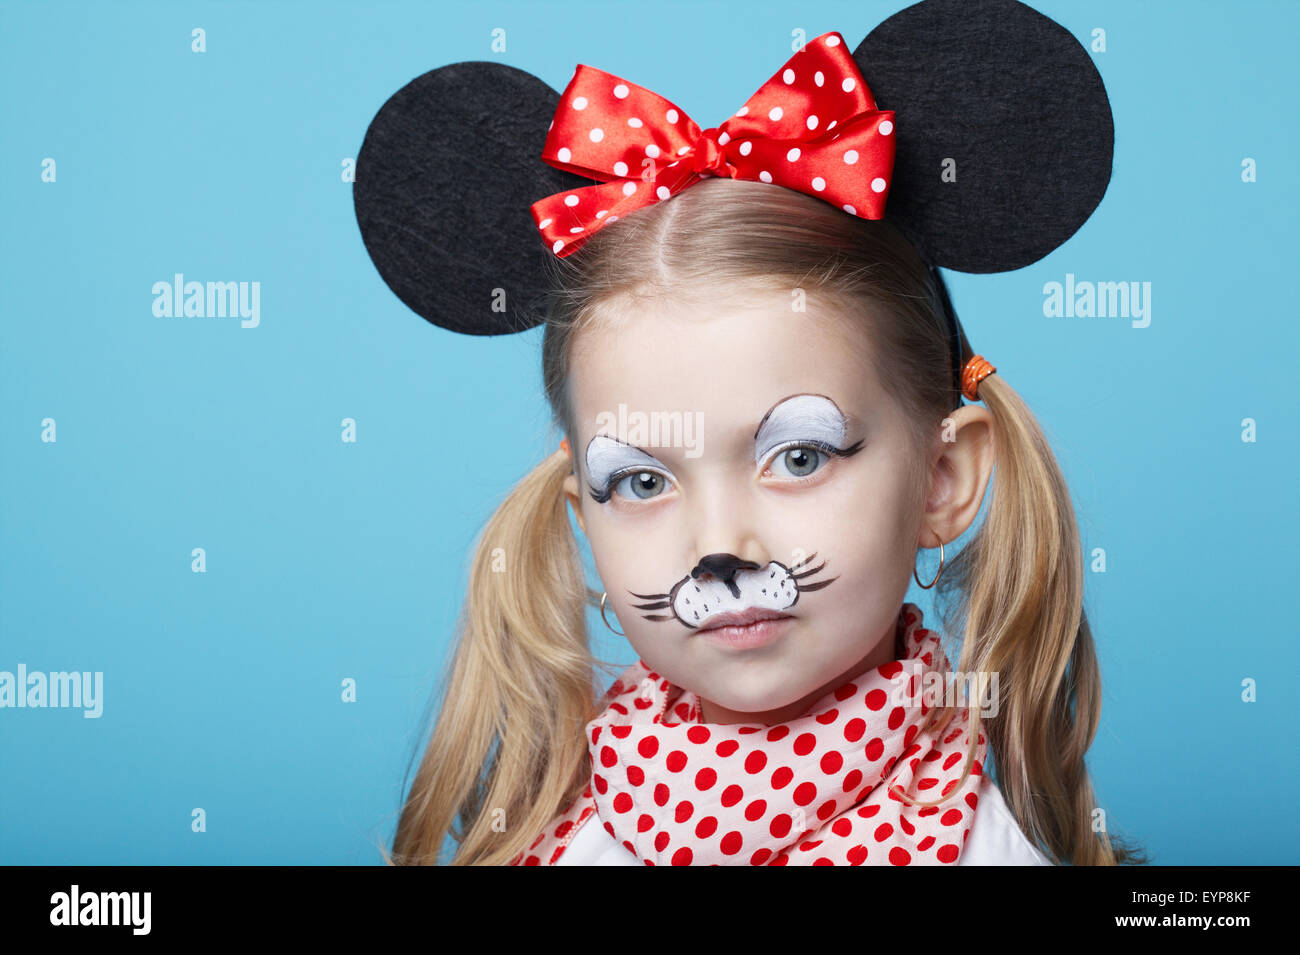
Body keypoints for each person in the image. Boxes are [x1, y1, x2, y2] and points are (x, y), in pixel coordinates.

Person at [356, 7, 1147, 866]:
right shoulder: (548, 835)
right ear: (582, 508)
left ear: (942, 479)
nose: (719, 548)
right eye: (641, 481)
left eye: (799, 456)